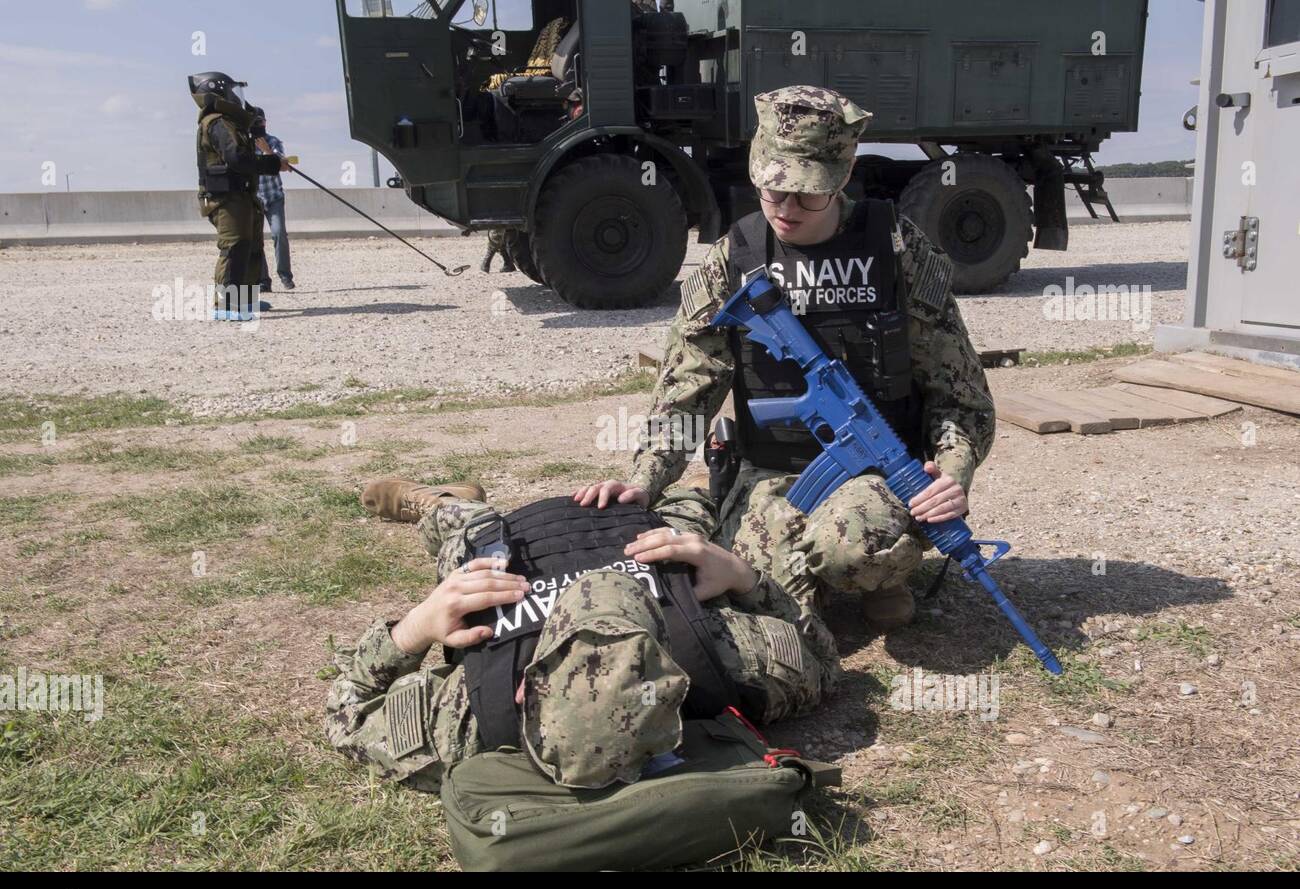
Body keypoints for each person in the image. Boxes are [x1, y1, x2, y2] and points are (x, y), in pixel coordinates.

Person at [574, 85, 996, 633]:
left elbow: (959, 393)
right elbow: (688, 386)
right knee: (760, 606)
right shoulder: (735, 260)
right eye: (773, 191)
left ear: (843, 177)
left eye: (807, 194)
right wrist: (645, 480)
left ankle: (880, 572)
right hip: (767, 472)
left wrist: (951, 476)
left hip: (876, 473)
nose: (786, 209)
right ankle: (816, 567)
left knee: (855, 549)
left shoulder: (898, 249)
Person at [325, 478, 840, 790]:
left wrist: (416, 627)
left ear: (524, 690)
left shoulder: (466, 721)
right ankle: (444, 500)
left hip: (505, 550)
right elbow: (822, 656)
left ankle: (438, 502)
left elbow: (348, 713)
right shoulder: (736, 660)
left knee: (470, 528)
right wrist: (742, 576)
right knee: (688, 511)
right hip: (621, 528)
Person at [189, 72, 288, 320]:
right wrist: (272, 164)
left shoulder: (230, 123)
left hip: (241, 195)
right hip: (226, 198)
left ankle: (245, 300)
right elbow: (238, 159)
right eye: (232, 91)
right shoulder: (218, 122)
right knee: (234, 247)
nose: (236, 97)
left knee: (251, 246)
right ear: (218, 92)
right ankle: (225, 306)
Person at [252, 108, 295, 292]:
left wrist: (267, 151)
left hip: (274, 196)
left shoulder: (273, 141)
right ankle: (263, 280)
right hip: (254, 199)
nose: (257, 125)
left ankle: (285, 275)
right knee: (255, 240)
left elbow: (283, 166)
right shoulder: (244, 144)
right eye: (254, 122)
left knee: (279, 233)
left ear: (265, 122)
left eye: (259, 121)